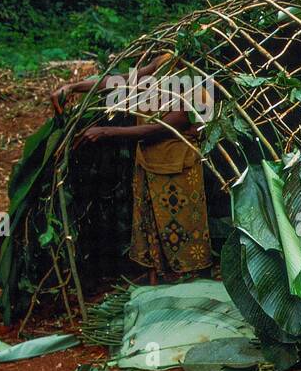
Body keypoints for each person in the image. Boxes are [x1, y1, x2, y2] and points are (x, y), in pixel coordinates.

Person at [57, 52, 212, 281]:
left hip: (179, 171)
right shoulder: (164, 63)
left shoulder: (199, 94)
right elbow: (122, 80)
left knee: (184, 232)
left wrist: (106, 132)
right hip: (148, 164)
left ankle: (190, 285)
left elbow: (161, 127)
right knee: (152, 228)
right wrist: (75, 87)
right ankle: (157, 282)